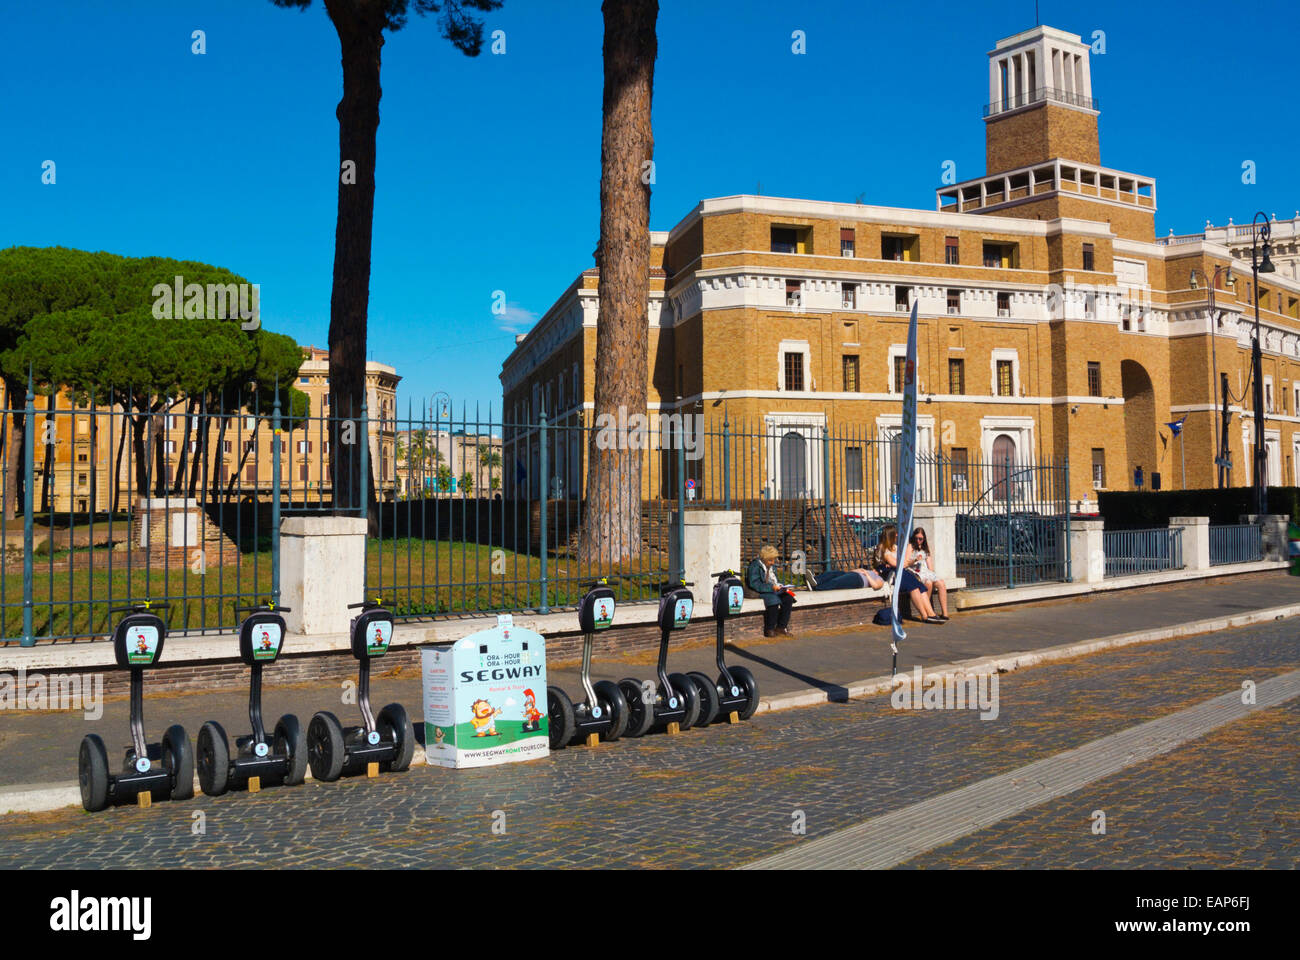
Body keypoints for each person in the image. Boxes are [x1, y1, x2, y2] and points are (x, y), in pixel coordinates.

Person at [874, 524, 943, 624]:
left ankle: (931, 613)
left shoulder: (895, 547)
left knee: (920, 586)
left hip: (901, 572)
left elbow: (903, 563)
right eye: (895, 534)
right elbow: (897, 564)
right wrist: (904, 563)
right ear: (891, 535)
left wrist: (907, 562)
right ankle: (924, 615)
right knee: (913, 587)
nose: (897, 535)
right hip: (892, 575)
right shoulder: (883, 549)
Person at [747, 544, 796, 638]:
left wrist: (781, 586)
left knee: (788, 598)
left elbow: (774, 580)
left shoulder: (771, 566)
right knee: (773, 600)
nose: (773, 562)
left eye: (774, 560)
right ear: (764, 559)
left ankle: (781, 627)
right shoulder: (755, 566)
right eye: (770, 560)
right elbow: (754, 583)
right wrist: (771, 588)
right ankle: (770, 629)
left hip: (772, 589)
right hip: (760, 591)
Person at [907, 526, 950, 621]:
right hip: (915, 572)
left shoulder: (925, 547)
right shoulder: (911, 546)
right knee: (928, 583)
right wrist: (914, 559)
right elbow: (906, 563)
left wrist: (933, 574)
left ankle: (945, 613)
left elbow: (930, 565)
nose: (918, 541)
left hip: (925, 571)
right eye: (916, 538)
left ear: (924, 539)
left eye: (920, 539)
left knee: (941, 583)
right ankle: (928, 611)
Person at [808, 564, 884, 592]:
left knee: (836, 581)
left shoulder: (879, 578)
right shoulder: (870, 571)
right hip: (852, 574)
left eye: (876, 570)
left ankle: (817, 587)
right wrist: (859, 570)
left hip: (858, 580)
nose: (874, 570)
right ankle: (815, 580)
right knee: (832, 573)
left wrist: (867, 574)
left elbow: (876, 586)